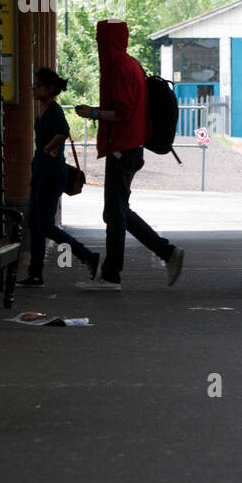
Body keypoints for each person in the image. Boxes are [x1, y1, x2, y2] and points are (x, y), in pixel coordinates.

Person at [74, 20, 184, 291]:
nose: (99, 46)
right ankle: (164, 252)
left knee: (114, 213)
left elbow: (121, 112)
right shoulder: (131, 64)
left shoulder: (118, 68)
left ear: (107, 41)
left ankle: (113, 275)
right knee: (118, 211)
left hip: (122, 148)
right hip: (130, 147)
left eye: (101, 40)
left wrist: (92, 113)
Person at [20, 67, 99, 288]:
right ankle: (35, 274)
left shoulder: (54, 110)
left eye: (38, 84)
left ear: (50, 88)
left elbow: (63, 132)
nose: (34, 88)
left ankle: (87, 256)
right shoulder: (43, 108)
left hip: (50, 174)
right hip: (40, 171)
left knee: (45, 225)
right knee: (35, 224)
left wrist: (49, 148)